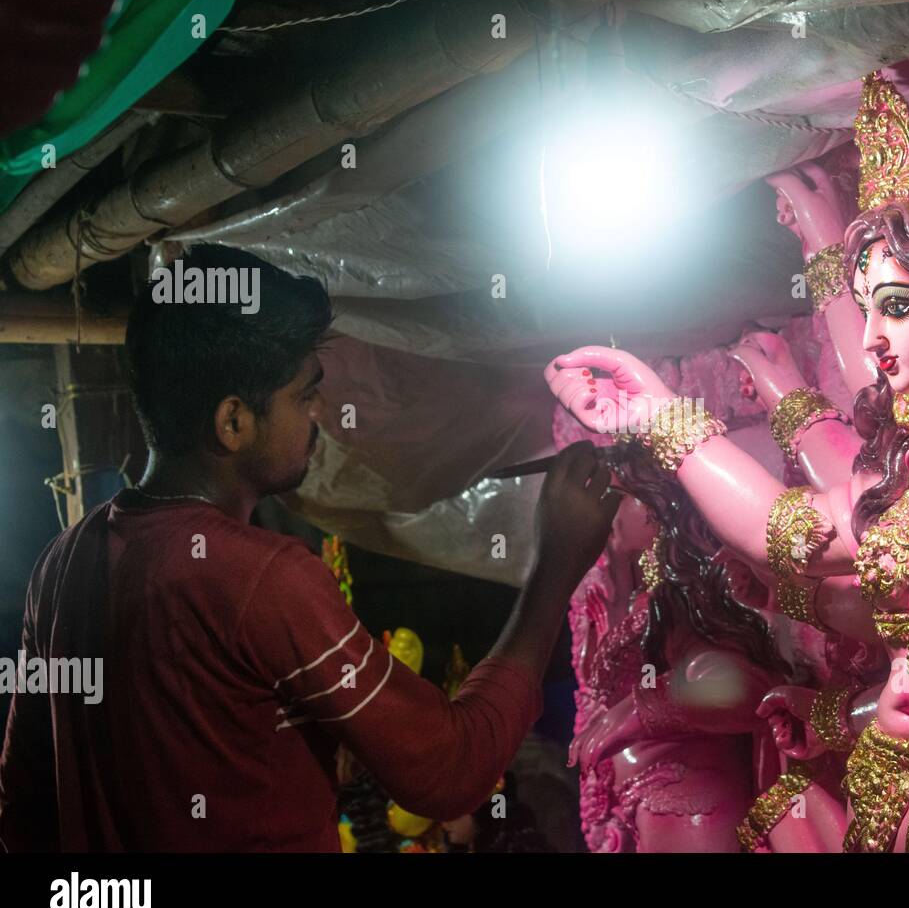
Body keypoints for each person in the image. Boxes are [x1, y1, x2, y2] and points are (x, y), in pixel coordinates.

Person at [0, 245, 619, 851]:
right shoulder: (259, 577)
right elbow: (450, 771)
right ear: (234, 422)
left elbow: (22, 804)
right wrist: (554, 566)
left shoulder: (62, 564)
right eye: (303, 395)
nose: (319, 414)